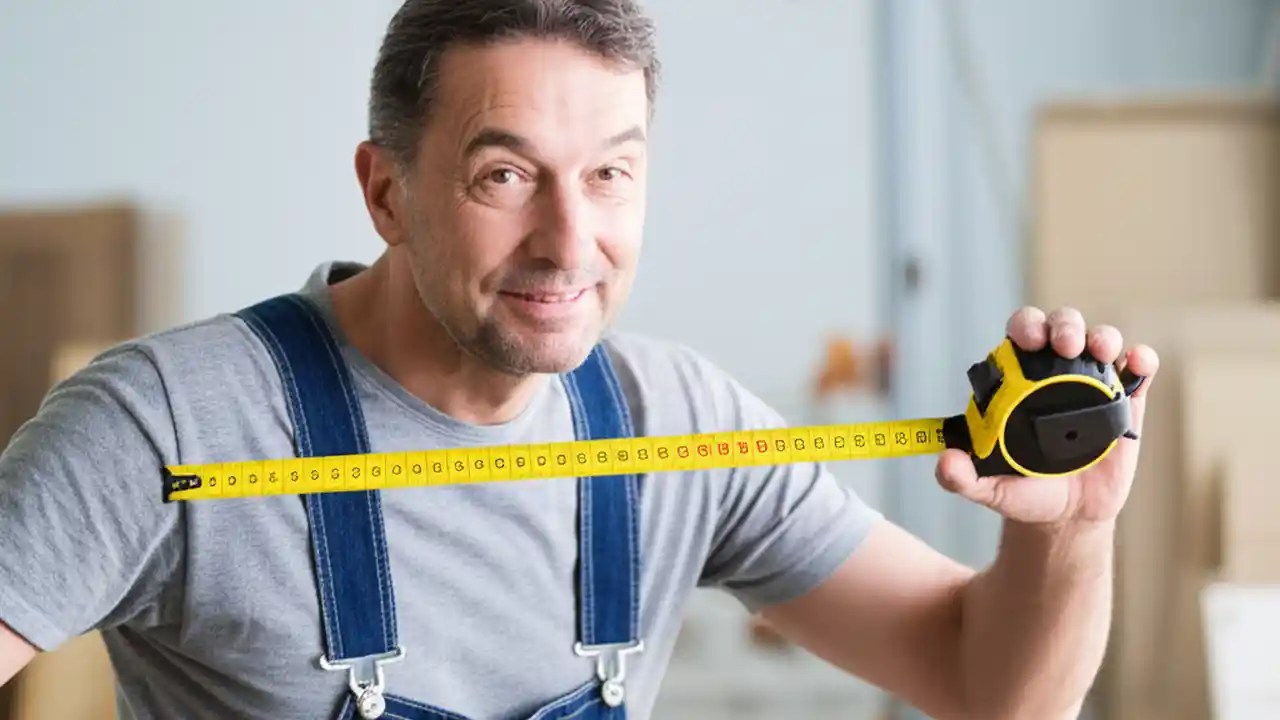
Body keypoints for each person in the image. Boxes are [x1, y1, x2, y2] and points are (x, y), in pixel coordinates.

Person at [0, 1, 1159, 719]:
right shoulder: (163, 426)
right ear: (385, 190)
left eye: (609, 174)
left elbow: (990, 690)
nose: (569, 243)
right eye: (503, 175)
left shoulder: (681, 422)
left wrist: (1068, 532)